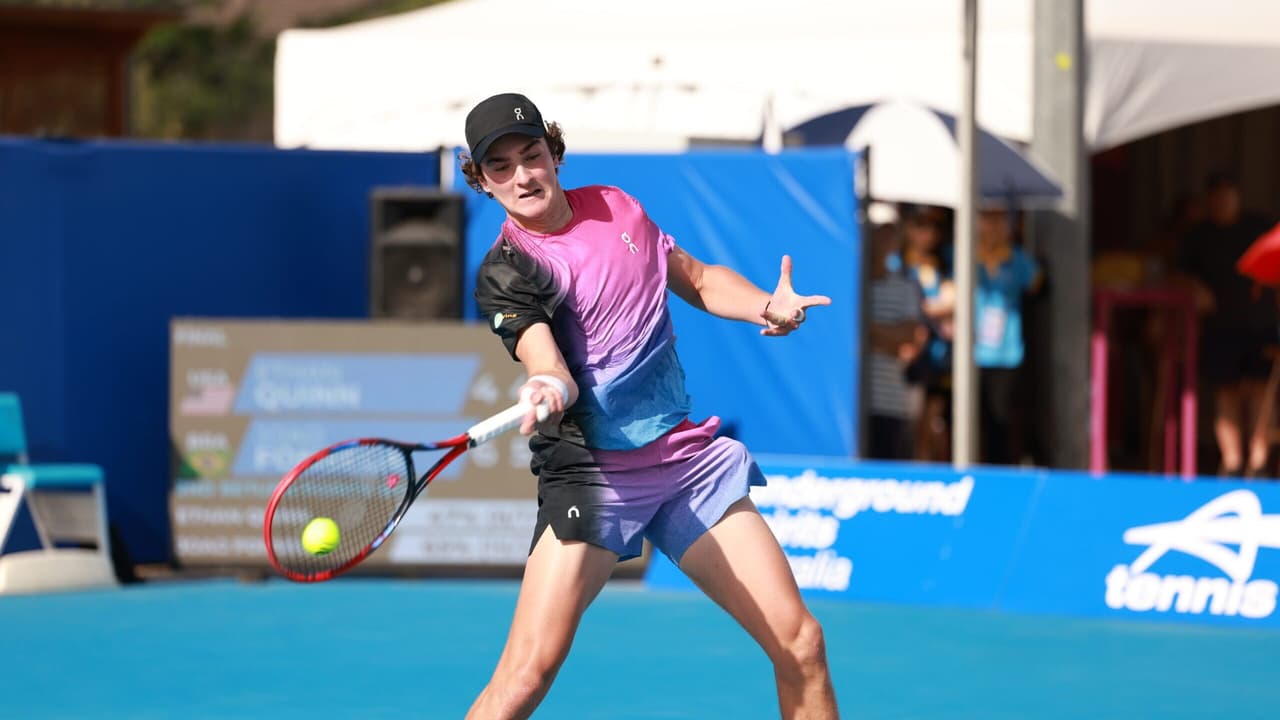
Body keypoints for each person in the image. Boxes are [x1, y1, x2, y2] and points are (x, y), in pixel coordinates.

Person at [459, 92, 839, 719]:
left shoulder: (617, 206)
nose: (522, 175)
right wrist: (549, 382)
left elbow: (695, 277)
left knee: (801, 643)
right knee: (526, 676)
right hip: (595, 475)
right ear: (483, 181)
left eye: (531, 155)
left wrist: (765, 306)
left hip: (684, 463)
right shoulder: (507, 269)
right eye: (500, 167)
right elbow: (544, 359)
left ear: (553, 153)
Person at [1175, 171, 1278, 477]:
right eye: (1216, 195)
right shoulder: (1200, 236)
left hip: (1259, 325)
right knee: (1226, 394)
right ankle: (1232, 462)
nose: (1222, 201)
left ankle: (1259, 461)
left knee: (1262, 393)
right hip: (1221, 327)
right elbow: (1178, 272)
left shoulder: (1257, 227)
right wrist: (1195, 287)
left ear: (1237, 196)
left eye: (1228, 194)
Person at [974, 207, 1043, 465]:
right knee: (975, 416)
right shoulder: (968, 255)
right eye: (987, 219)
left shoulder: (1015, 258)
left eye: (998, 221)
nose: (992, 227)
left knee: (1000, 418)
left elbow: (1038, 283)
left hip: (1006, 351)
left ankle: (999, 466)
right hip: (972, 350)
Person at [867, 220, 928, 460]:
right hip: (852, 403)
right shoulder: (851, 286)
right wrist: (888, 339)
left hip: (889, 399)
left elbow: (908, 336)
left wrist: (868, 330)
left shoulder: (905, 287)